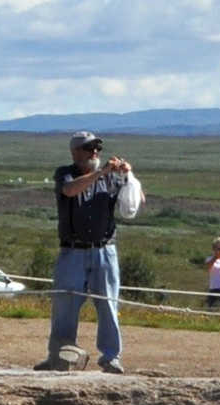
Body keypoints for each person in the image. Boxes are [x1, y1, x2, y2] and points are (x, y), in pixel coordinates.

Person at [35, 131, 143, 373]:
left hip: (105, 251)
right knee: (65, 305)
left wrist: (129, 176)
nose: (95, 152)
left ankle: (111, 357)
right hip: (72, 251)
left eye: (97, 149)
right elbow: (70, 191)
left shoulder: (111, 179)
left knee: (108, 304)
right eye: (89, 148)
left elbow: (135, 202)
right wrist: (102, 172)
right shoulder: (66, 173)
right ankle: (59, 356)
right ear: (75, 152)